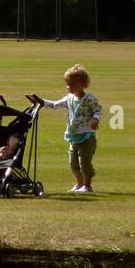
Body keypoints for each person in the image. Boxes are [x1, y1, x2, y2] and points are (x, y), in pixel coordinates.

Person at [27, 64, 102, 194]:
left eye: (72, 84)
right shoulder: (69, 98)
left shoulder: (90, 99)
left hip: (86, 137)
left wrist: (96, 119)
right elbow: (55, 105)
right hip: (74, 136)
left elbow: (98, 111)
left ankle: (87, 186)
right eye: (67, 84)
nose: (69, 87)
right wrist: (41, 101)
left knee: (84, 163)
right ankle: (79, 184)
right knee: (73, 163)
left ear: (83, 84)